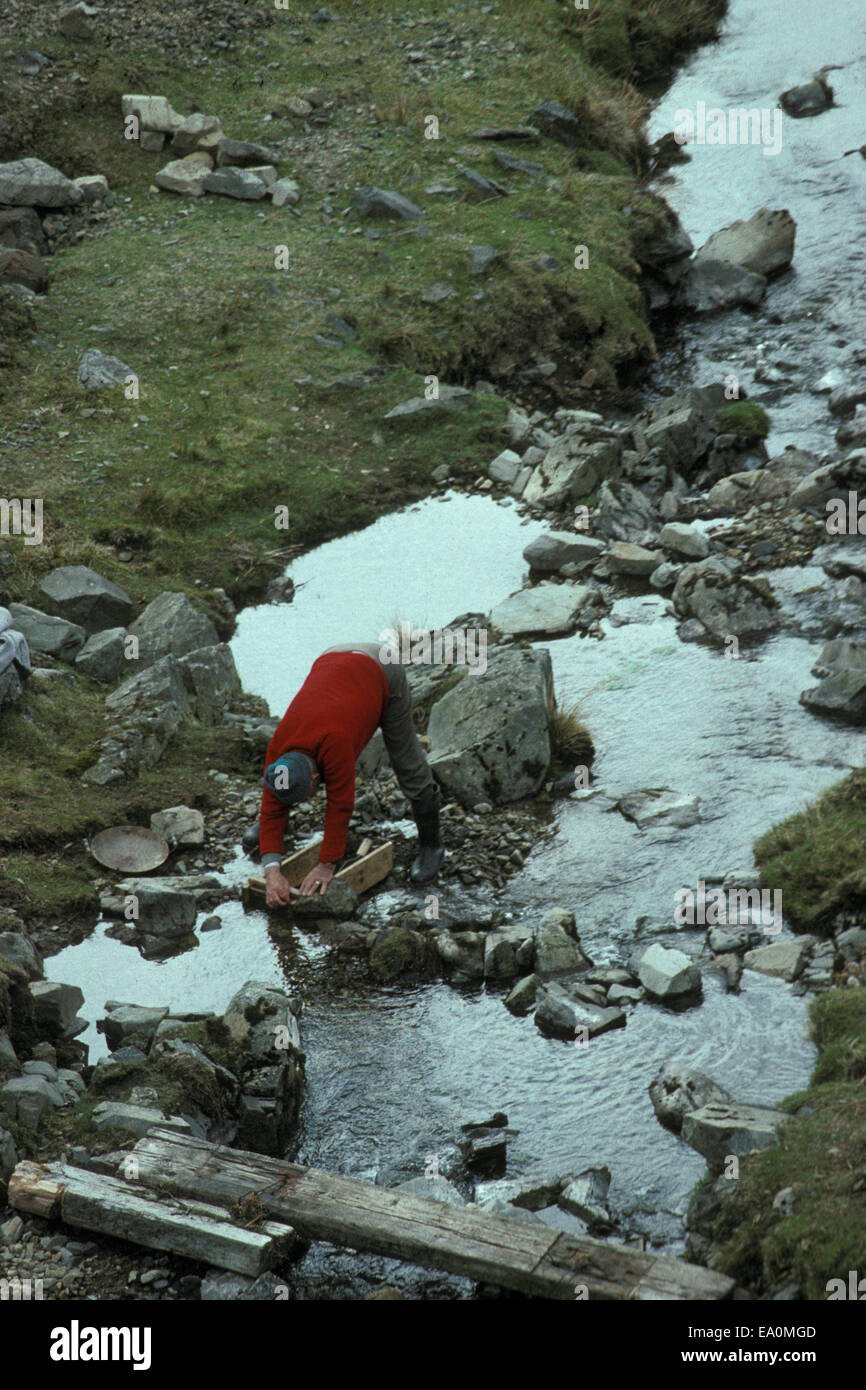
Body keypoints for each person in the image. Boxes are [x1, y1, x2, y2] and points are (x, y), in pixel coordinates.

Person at [251, 642, 444, 905]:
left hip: (381, 669)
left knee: (406, 760)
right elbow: (271, 804)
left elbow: (340, 805)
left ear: (317, 780)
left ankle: (432, 845)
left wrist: (327, 864)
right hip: (332, 657)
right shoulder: (278, 746)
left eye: (303, 796)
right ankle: (272, 837)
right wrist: (272, 870)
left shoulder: (335, 743)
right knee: (274, 811)